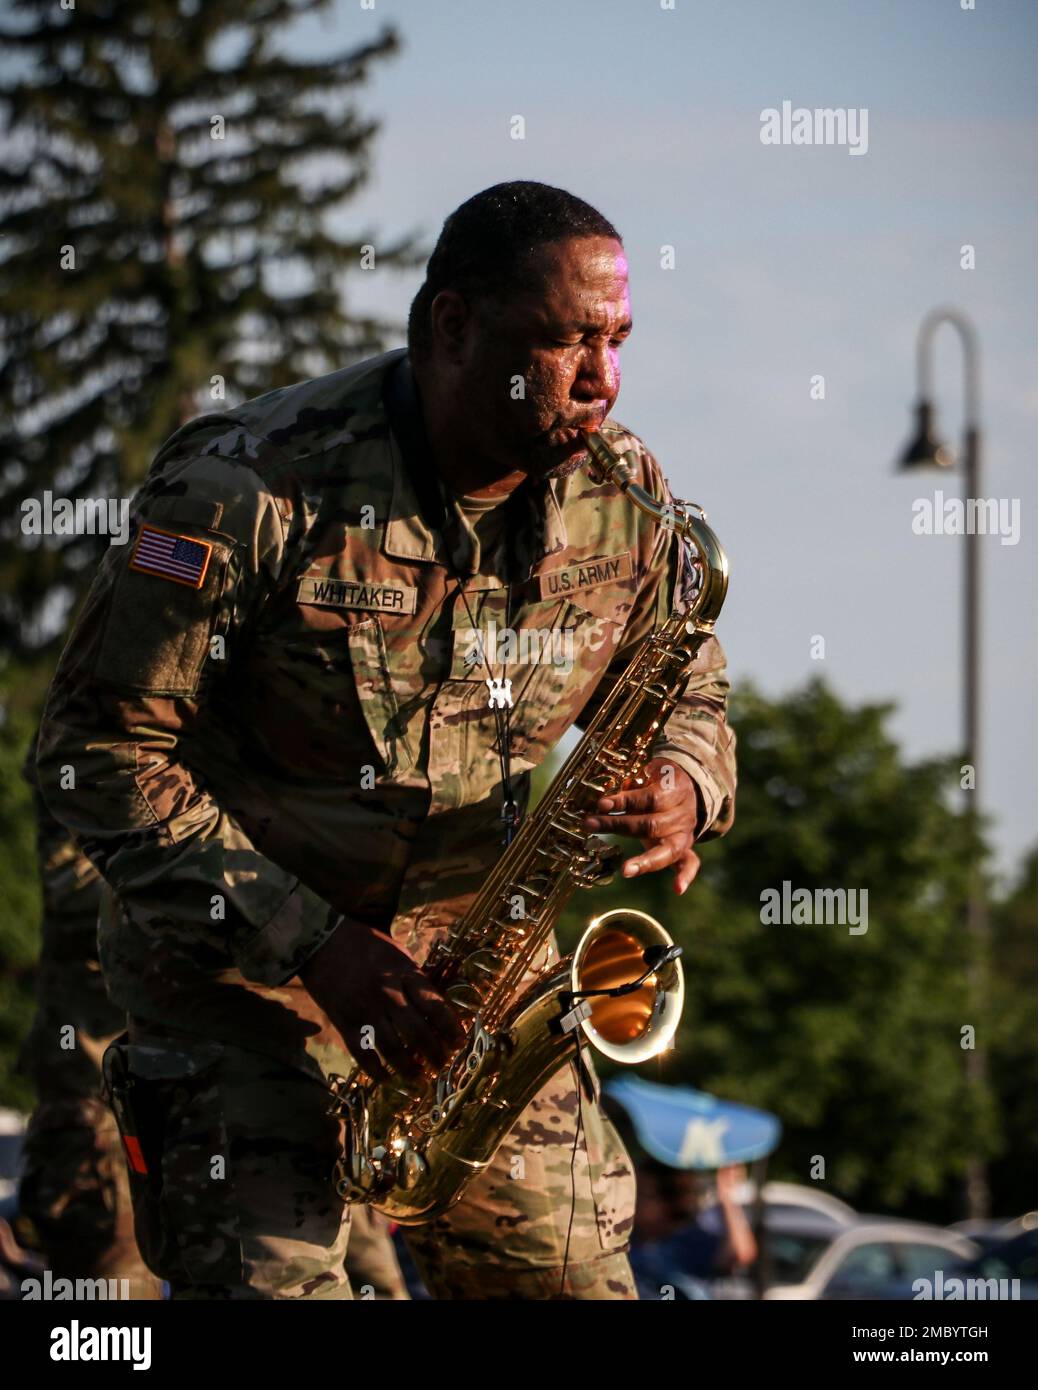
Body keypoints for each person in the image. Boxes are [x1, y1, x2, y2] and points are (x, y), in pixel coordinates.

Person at [35, 180, 737, 1300]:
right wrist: (315, 943)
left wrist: (688, 779)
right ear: (454, 325)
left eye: (617, 339)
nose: (604, 377)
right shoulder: (249, 486)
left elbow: (689, 676)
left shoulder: (630, 494)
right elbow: (94, 752)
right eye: (566, 341)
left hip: (481, 1001)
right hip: (240, 997)